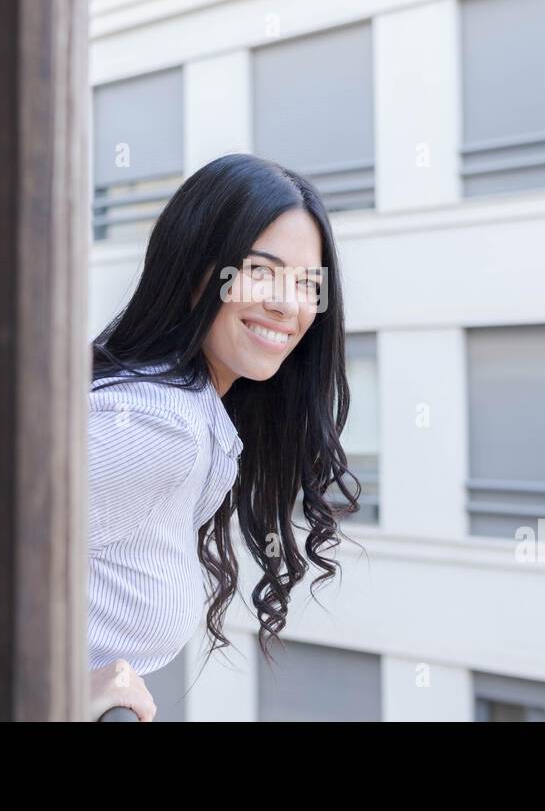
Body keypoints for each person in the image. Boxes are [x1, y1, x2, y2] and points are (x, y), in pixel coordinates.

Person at [86, 153, 361, 721]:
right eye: (259, 270)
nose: (287, 304)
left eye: (307, 283)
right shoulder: (159, 428)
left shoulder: (197, 420)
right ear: (192, 271)